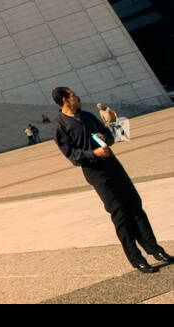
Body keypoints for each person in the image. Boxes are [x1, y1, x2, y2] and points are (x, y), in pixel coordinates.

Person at [53, 87, 170, 273]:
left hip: (112, 164)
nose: (77, 96)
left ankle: (154, 249)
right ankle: (136, 258)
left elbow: (110, 137)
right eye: (73, 94)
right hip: (96, 172)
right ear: (64, 99)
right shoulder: (60, 125)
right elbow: (71, 155)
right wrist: (93, 153)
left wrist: (108, 132)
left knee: (135, 205)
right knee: (120, 213)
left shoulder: (88, 116)